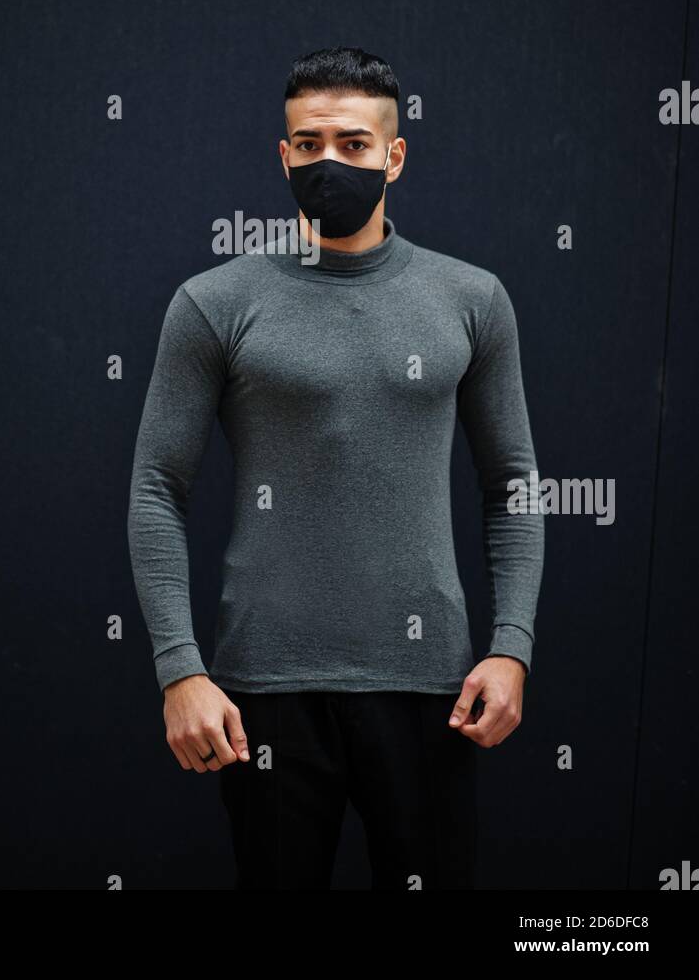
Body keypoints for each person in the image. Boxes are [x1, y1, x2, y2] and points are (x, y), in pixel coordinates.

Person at [127, 46, 544, 890]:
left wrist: (512, 648)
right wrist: (180, 670)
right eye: (308, 144)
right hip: (261, 695)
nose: (329, 162)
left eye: (353, 144)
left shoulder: (471, 299)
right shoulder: (216, 302)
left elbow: (513, 486)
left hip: (433, 690)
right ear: (282, 156)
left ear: (394, 155)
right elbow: (155, 488)